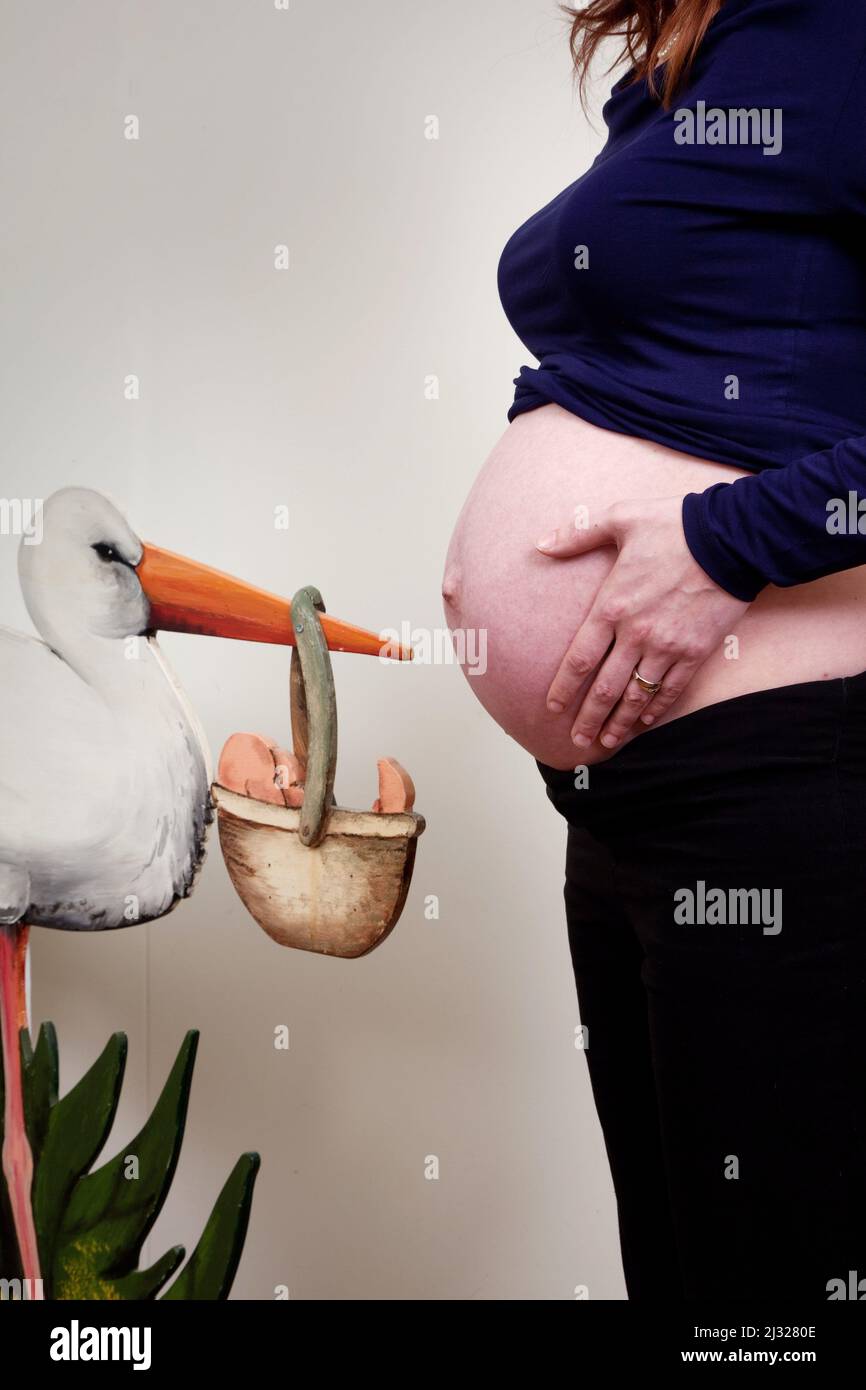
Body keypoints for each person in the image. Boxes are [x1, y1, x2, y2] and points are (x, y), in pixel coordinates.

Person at [443, 0, 866, 1299]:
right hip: (632, 798)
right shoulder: (694, 60)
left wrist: (729, 540)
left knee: (776, 1298)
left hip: (789, 786)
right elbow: (651, 352)